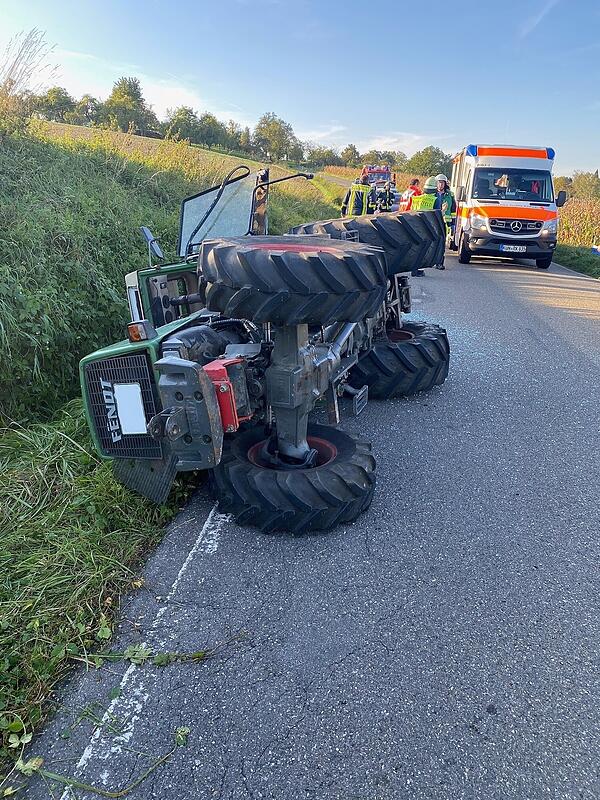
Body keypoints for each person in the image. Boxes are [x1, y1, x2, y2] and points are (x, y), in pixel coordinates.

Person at [432, 174, 456, 270]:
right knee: (432, 242)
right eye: (439, 182)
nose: (441, 185)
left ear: (445, 184)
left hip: (444, 223)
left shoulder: (450, 195)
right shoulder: (431, 194)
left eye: (442, 183)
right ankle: (430, 261)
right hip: (432, 221)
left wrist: (453, 224)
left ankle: (439, 263)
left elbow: (453, 209)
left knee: (441, 243)